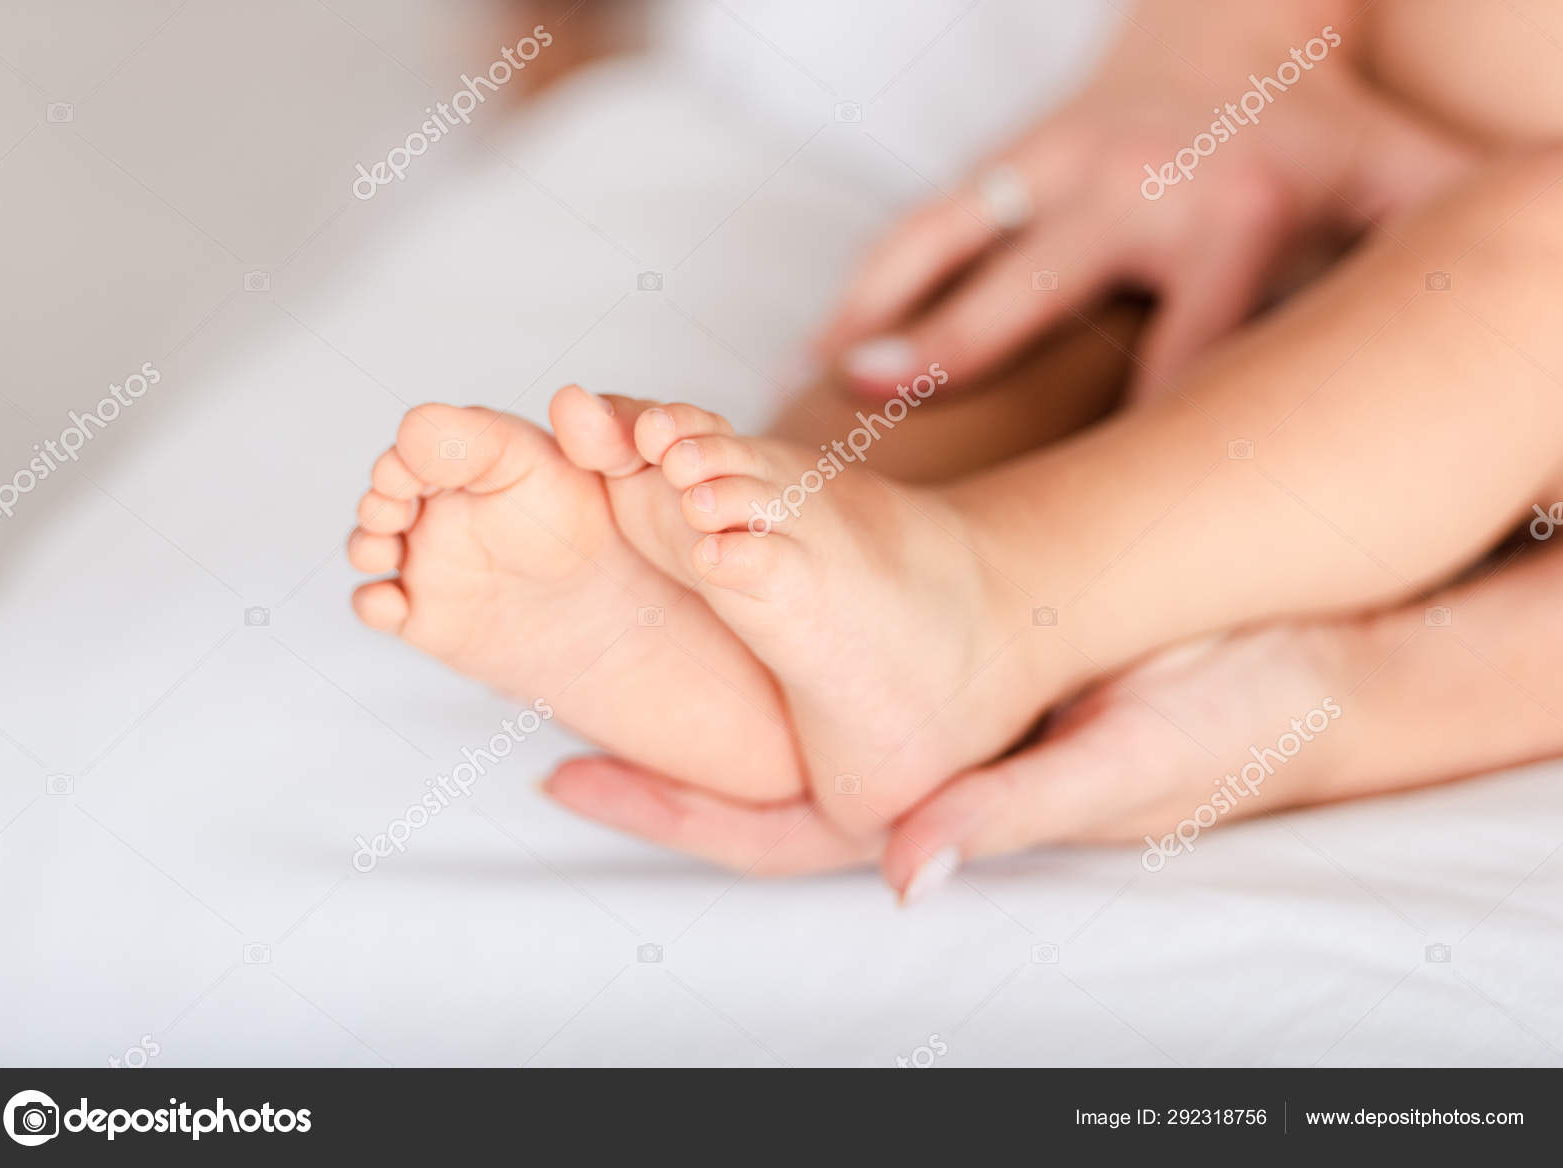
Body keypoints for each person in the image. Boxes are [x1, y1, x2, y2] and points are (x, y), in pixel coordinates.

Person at [347, 0, 1563, 898]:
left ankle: (980, 597)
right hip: (1307, 182)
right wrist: (1214, 53)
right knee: (1005, 321)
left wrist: (1371, 702)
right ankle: (744, 642)